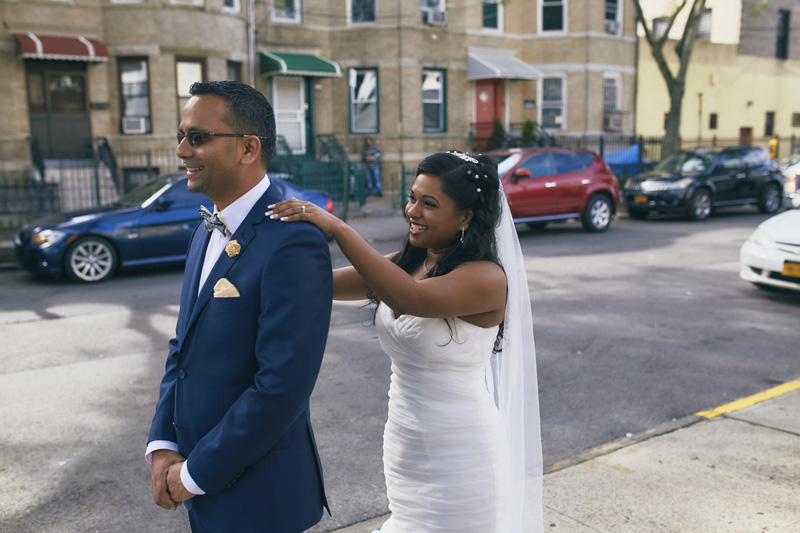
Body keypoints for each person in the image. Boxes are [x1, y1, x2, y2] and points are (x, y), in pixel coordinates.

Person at [269, 150, 543, 532]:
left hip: (463, 453)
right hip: (404, 441)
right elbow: (320, 284)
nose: (412, 210)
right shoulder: (412, 262)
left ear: (465, 216)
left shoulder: (486, 278)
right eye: (412, 197)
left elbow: (409, 299)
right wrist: (263, 259)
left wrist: (340, 229)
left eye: (428, 204)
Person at [146, 80, 333, 533]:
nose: (181, 150)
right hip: (198, 483)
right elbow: (182, 348)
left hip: (260, 496)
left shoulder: (294, 241)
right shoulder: (204, 229)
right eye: (182, 135)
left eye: (198, 137)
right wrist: (163, 443)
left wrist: (193, 475)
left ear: (249, 148)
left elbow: (281, 387)